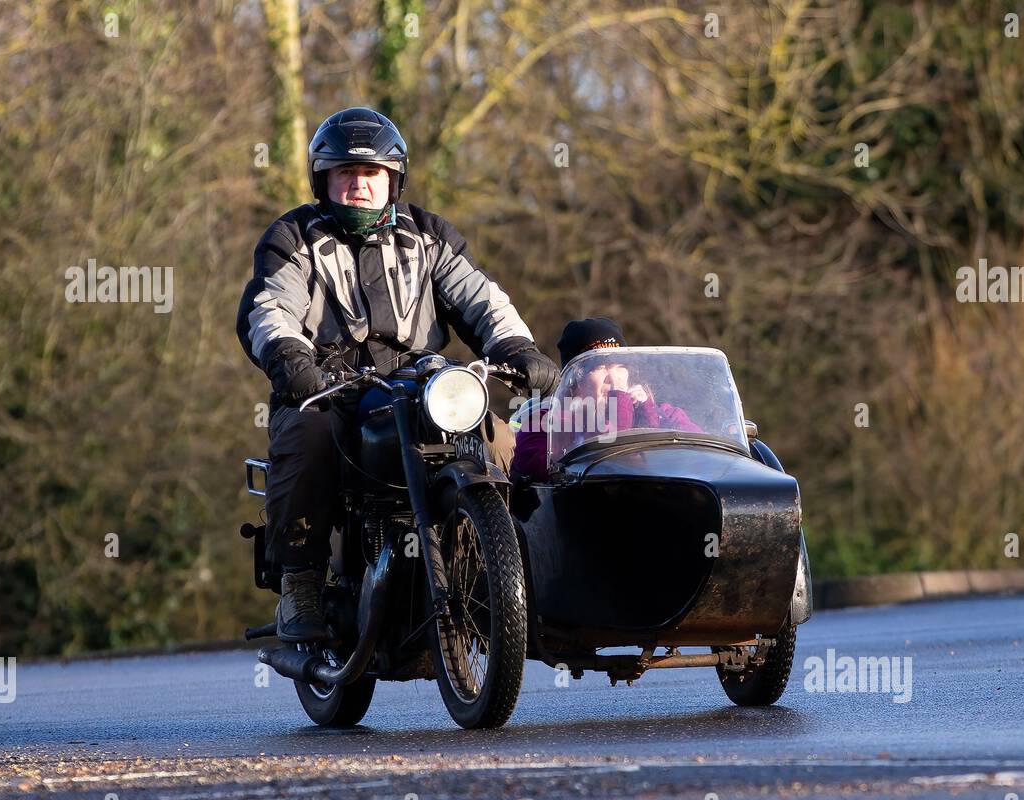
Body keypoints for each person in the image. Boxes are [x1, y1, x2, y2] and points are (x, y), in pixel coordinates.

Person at [237, 108, 560, 643]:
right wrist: (292, 362)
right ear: (325, 181)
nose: (359, 186)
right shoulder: (292, 236)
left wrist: (517, 347)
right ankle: (301, 586)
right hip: (329, 387)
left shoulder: (429, 235)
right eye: (345, 174)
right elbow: (270, 307)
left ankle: (511, 575)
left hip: (422, 383)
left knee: (502, 443)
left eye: (371, 175)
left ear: (393, 179)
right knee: (307, 435)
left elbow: (482, 299)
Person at [510, 318, 700, 482]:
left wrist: (649, 414)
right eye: (599, 367)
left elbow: (703, 458)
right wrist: (620, 404)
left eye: (619, 365)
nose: (613, 377)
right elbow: (613, 465)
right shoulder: (546, 423)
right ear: (574, 380)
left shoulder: (663, 412)